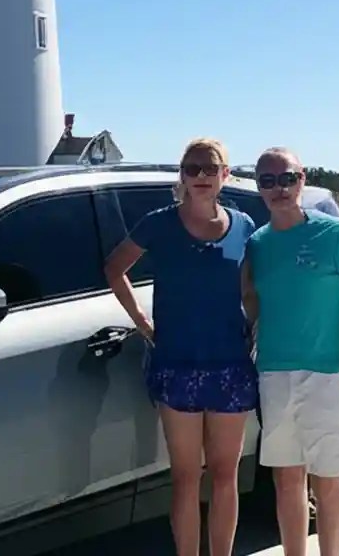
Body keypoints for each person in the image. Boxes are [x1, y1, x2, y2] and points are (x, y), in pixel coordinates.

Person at [104, 137, 258, 556]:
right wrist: (143, 323)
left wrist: (258, 325)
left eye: (211, 169)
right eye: (193, 169)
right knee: (187, 477)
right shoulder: (158, 223)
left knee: (225, 475)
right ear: (182, 176)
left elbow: (249, 290)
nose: (202, 177)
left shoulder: (244, 226)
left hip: (231, 367)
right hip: (178, 367)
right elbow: (115, 269)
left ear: (226, 175)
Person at [240, 147, 339, 556]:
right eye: (268, 181)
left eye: (287, 178)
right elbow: (251, 301)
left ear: (302, 179)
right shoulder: (258, 245)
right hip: (274, 375)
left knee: (329, 481)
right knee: (286, 480)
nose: (279, 188)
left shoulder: (335, 235)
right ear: (259, 188)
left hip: (326, 374)